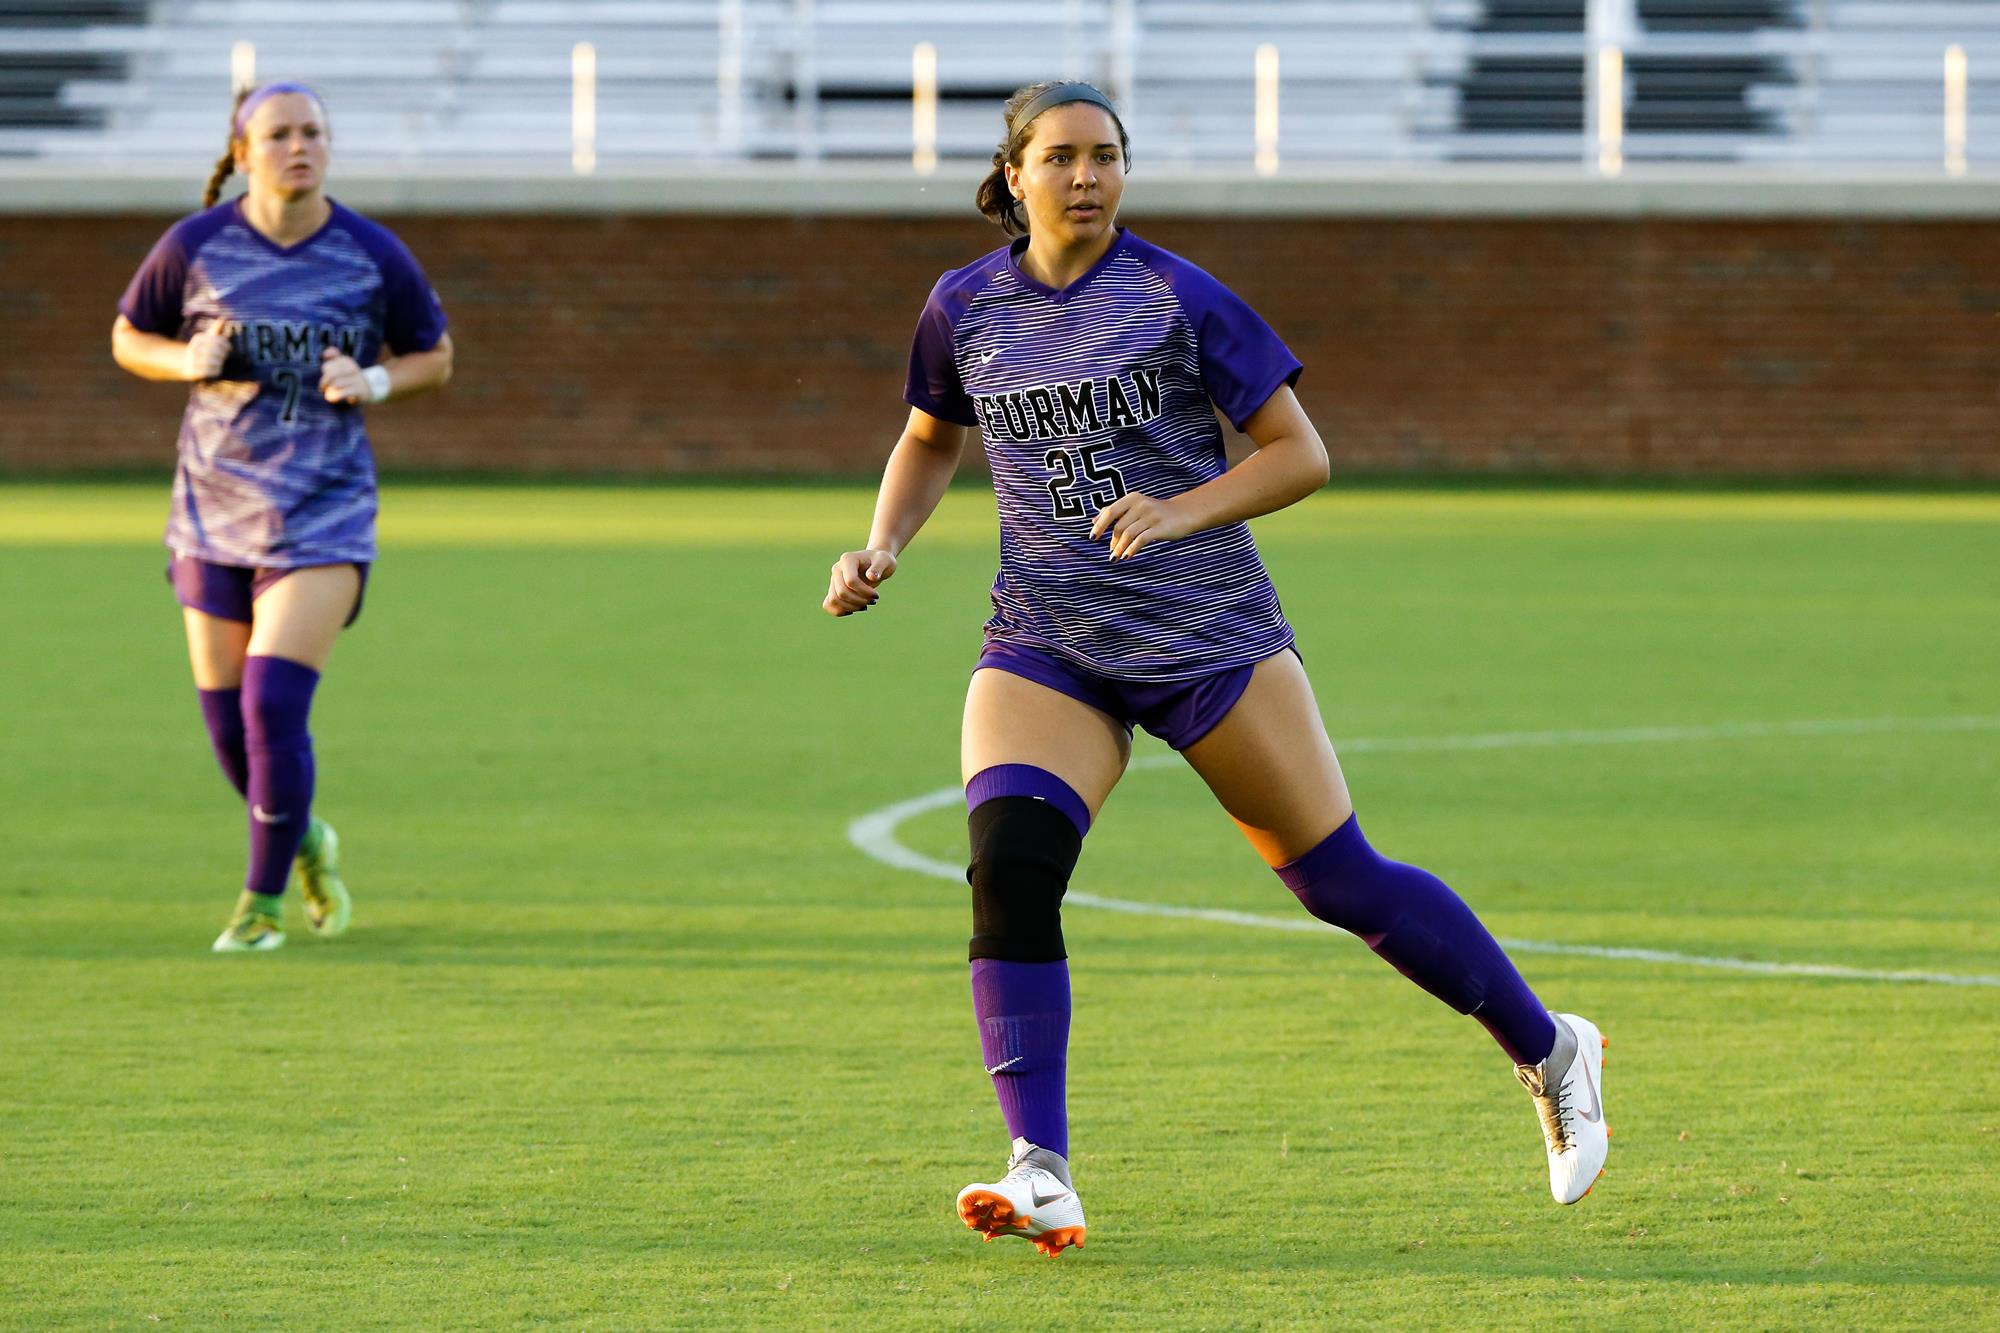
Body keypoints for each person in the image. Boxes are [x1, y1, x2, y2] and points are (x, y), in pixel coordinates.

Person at [823, 81, 1607, 1257]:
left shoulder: (1174, 295)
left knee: (1340, 880)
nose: (1086, 176)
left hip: (1206, 636)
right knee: (1011, 867)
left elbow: (1300, 455)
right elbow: (932, 434)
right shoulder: (963, 306)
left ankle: (1550, 1049)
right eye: (1062, 157)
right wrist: (883, 539)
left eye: (1106, 156)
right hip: (1048, 639)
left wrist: (1180, 511)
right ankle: (1039, 1167)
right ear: (1014, 175)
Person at [111, 82, 453, 952]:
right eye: (278, 134)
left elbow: (434, 356)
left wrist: (374, 380)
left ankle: (259, 907)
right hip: (211, 509)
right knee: (228, 729)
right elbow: (127, 337)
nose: (299, 146)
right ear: (242, 149)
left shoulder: (370, 252)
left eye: (313, 133)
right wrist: (184, 357)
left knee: (271, 705)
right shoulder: (194, 245)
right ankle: (305, 838)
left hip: (324, 511)